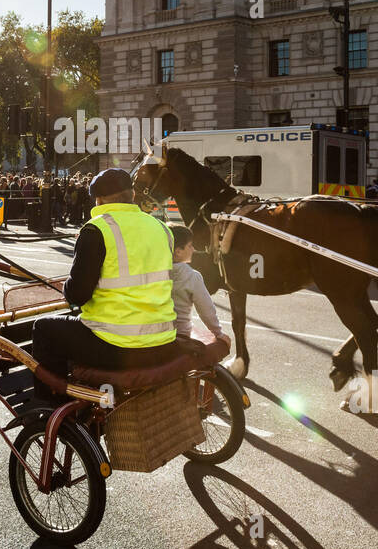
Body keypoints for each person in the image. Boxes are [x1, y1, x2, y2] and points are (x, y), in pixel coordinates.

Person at [29, 167, 180, 399]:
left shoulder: (97, 229)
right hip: (163, 341)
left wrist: (68, 289)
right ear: (132, 196)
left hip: (117, 346)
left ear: (98, 200)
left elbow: (78, 295)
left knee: (43, 328)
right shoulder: (161, 229)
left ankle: (48, 406)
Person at [169, 225, 229, 345]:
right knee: (221, 344)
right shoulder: (192, 276)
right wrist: (219, 333)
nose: (193, 249)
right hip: (181, 335)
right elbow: (206, 310)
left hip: (159, 333)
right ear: (178, 252)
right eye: (190, 246)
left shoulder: (156, 273)